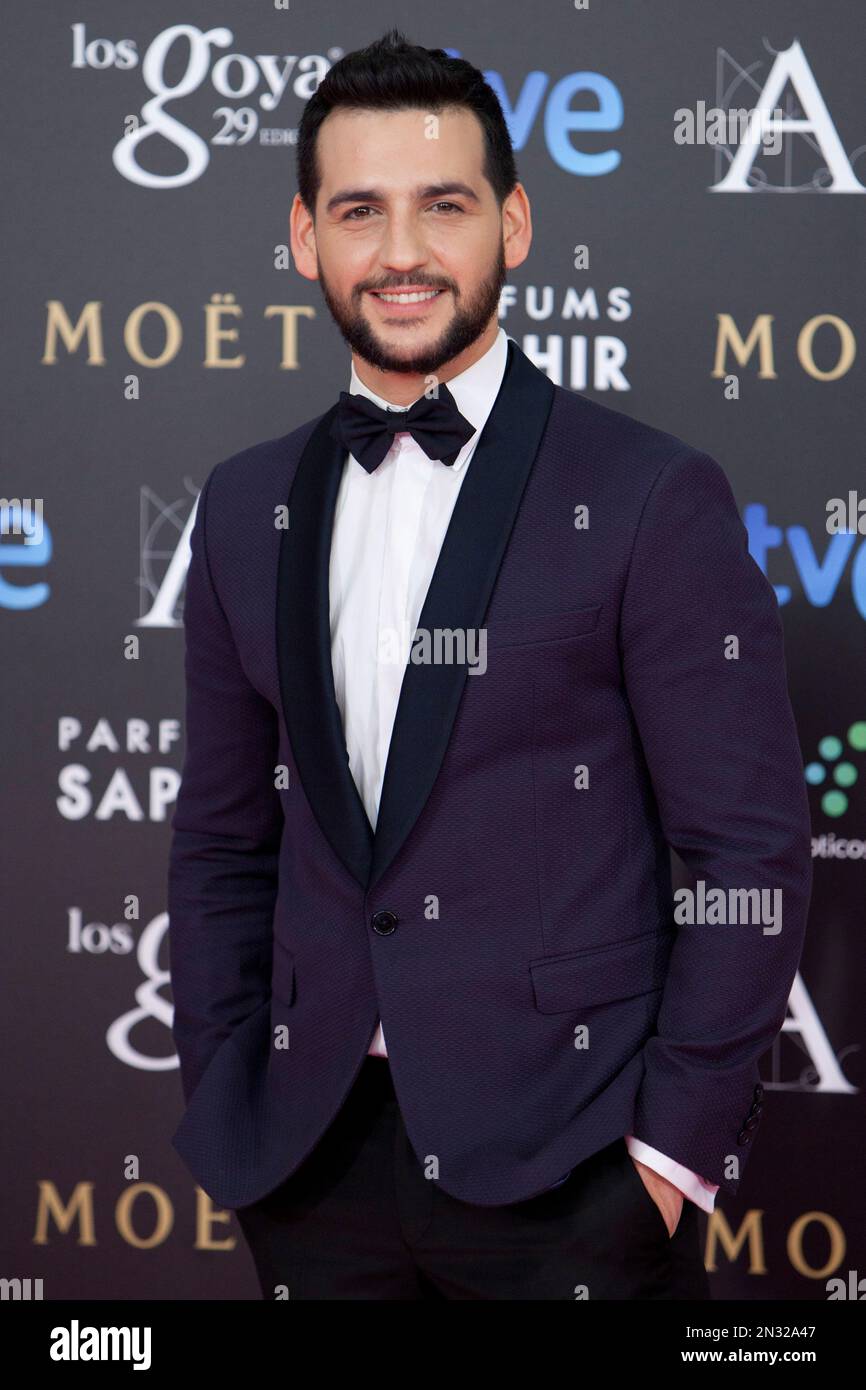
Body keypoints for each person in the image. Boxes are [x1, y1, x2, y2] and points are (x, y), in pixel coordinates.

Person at [167, 29, 812, 1300]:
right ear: (303, 238)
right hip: (310, 1166)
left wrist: (665, 1163)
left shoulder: (645, 495)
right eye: (359, 210)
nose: (400, 252)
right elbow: (221, 839)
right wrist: (230, 1091)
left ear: (512, 225)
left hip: (570, 1164)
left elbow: (747, 849)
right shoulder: (244, 506)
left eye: (443, 206)